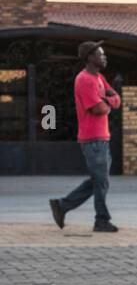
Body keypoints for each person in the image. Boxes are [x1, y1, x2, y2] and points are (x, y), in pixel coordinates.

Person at [49, 41, 119, 233]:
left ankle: (62, 206)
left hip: (102, 138)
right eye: (100, 54)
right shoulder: (85, 80)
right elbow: (98, 109)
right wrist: (108, 103)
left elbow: (116, 99)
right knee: (101, 181)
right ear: (90, 57)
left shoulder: (99, 78)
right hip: (92, 139)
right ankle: (101, 220)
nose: (104, 57)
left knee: (99, 180)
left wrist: (109, 101)